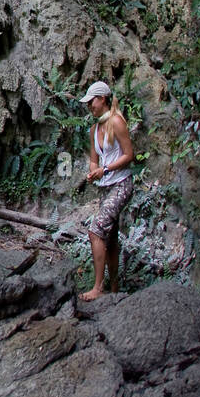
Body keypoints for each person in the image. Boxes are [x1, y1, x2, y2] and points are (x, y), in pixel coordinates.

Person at [78, 80, 135, 301]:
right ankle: (114, 289)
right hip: (105, 188)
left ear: (102, 99)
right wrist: (93, 172)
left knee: (96, 231)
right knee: (110, 238)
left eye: (91, 101)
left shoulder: (117, 122)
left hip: (121, 184)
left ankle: (97, 287)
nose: (89, 106)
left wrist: (106, 168)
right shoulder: (95, 128)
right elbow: (94, 160)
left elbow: (129, 155)